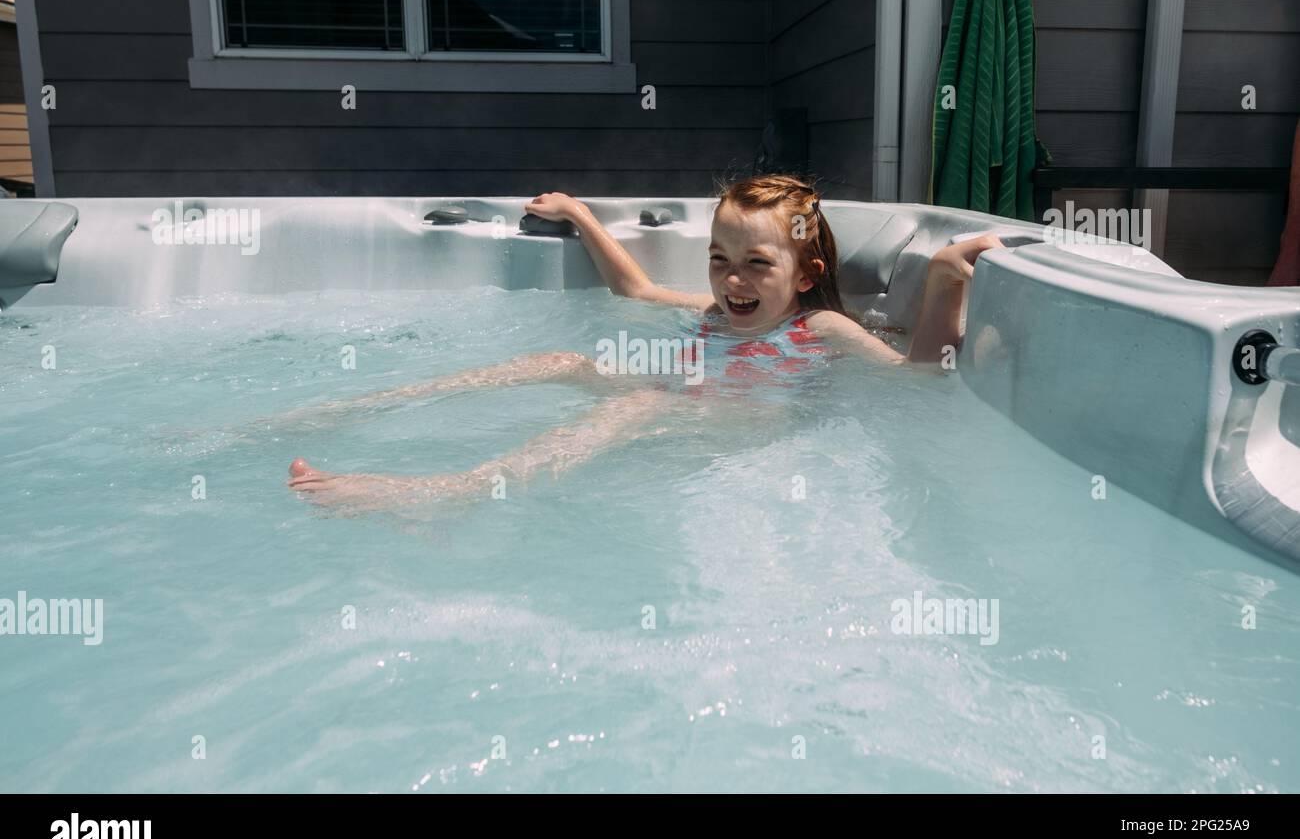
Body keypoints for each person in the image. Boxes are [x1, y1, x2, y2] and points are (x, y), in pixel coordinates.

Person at [286, 175, 1003, 511]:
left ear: (806, 272)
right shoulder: (721, 314)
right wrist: (580, 214)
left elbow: (918, 380)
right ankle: (360, 406)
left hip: (738, 423)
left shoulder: (820, 327)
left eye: (757, 264)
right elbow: (636, 291)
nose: (732, 279)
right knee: (560, 362)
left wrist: (944, 285)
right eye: (720, 259)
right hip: (678, 393)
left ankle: (456, 495)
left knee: (632, 409)